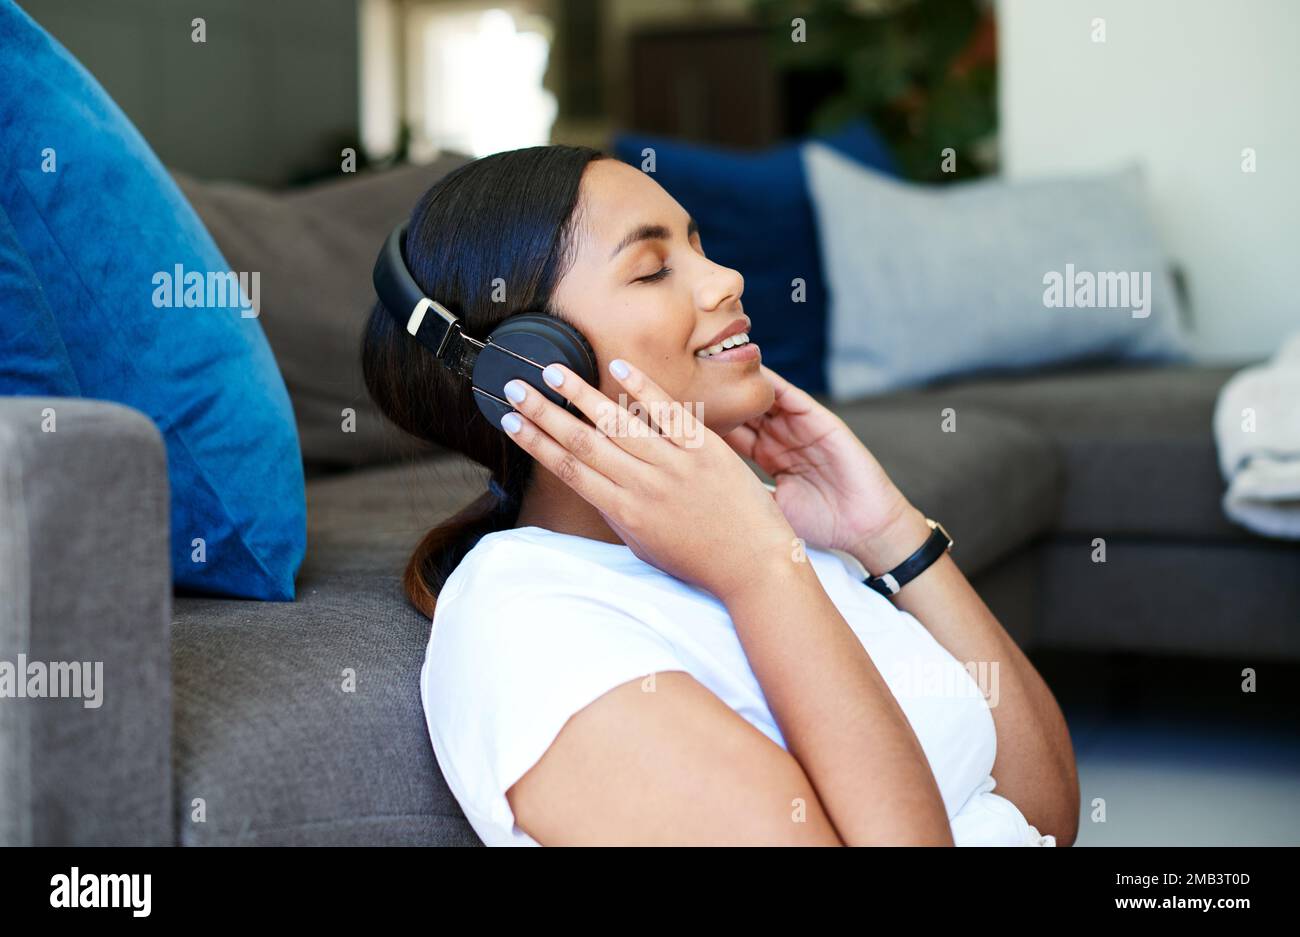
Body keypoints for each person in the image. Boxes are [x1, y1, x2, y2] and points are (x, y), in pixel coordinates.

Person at [360, 144, 1079, 846]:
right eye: (652, 270)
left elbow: (1042, 813)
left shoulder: (759, 529)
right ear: (533, 362)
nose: (726, 278)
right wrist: (761, 572)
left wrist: (888, 531)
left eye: (699, 247)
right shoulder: (527, 628)